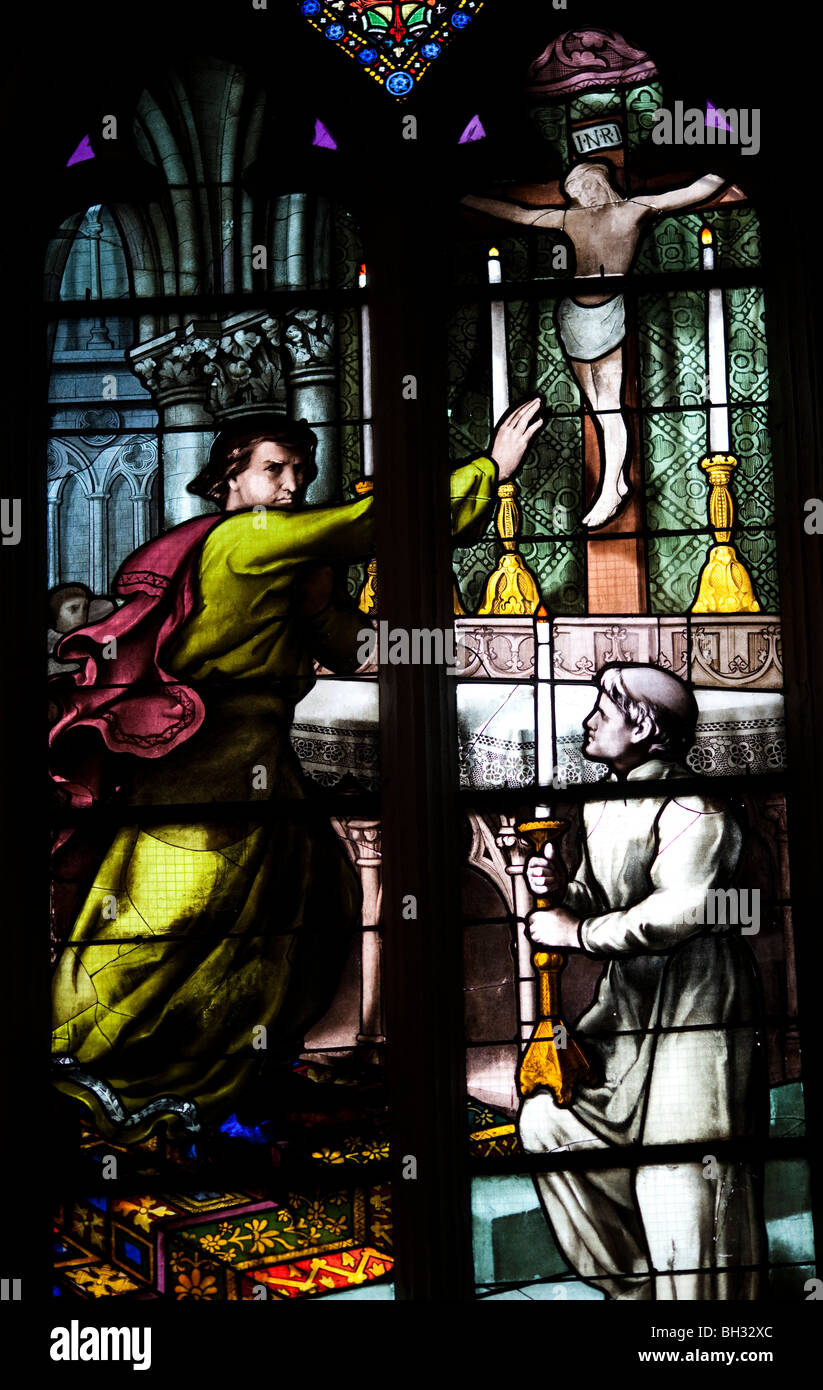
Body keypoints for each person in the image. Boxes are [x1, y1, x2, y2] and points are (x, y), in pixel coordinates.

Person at [51, 403, 544, 1144]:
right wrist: (488, 471)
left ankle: (208, 1074)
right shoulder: (246, 539)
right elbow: (367, 528)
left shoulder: (285, 559)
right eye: (272, 469)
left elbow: (345, 639)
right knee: (171, 914)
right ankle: (87, 1063)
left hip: (259, 758)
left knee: (299, 903)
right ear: (229, 480)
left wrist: (432, 650)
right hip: (202, 758)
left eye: (299, 472)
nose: (290, 484)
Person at [519, 662, 766, 1299]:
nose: (589, 719)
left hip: (695, 1005)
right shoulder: (606, 805)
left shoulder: (694, 807)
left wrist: (575, 933)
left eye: (605, 706)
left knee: (682, 1177)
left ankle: (705, 1334)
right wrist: (561, 892)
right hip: (627, 1011)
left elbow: (679, 910)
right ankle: (635, 1292)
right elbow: (602, 898)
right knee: (548, 1122)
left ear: (645, 725)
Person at [463, 162, 725, 528]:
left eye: (583, 187)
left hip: (607, 312)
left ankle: (608, 489)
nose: (578, 196)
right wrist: (466, 196)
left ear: (599, 182)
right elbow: (522, 216)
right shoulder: (573, 220)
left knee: (609, 407)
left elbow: (689, 192)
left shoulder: (633, 210)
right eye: (572, 192)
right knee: (597, 408)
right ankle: (614, 482)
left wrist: (728, 162)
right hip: (572, 316)